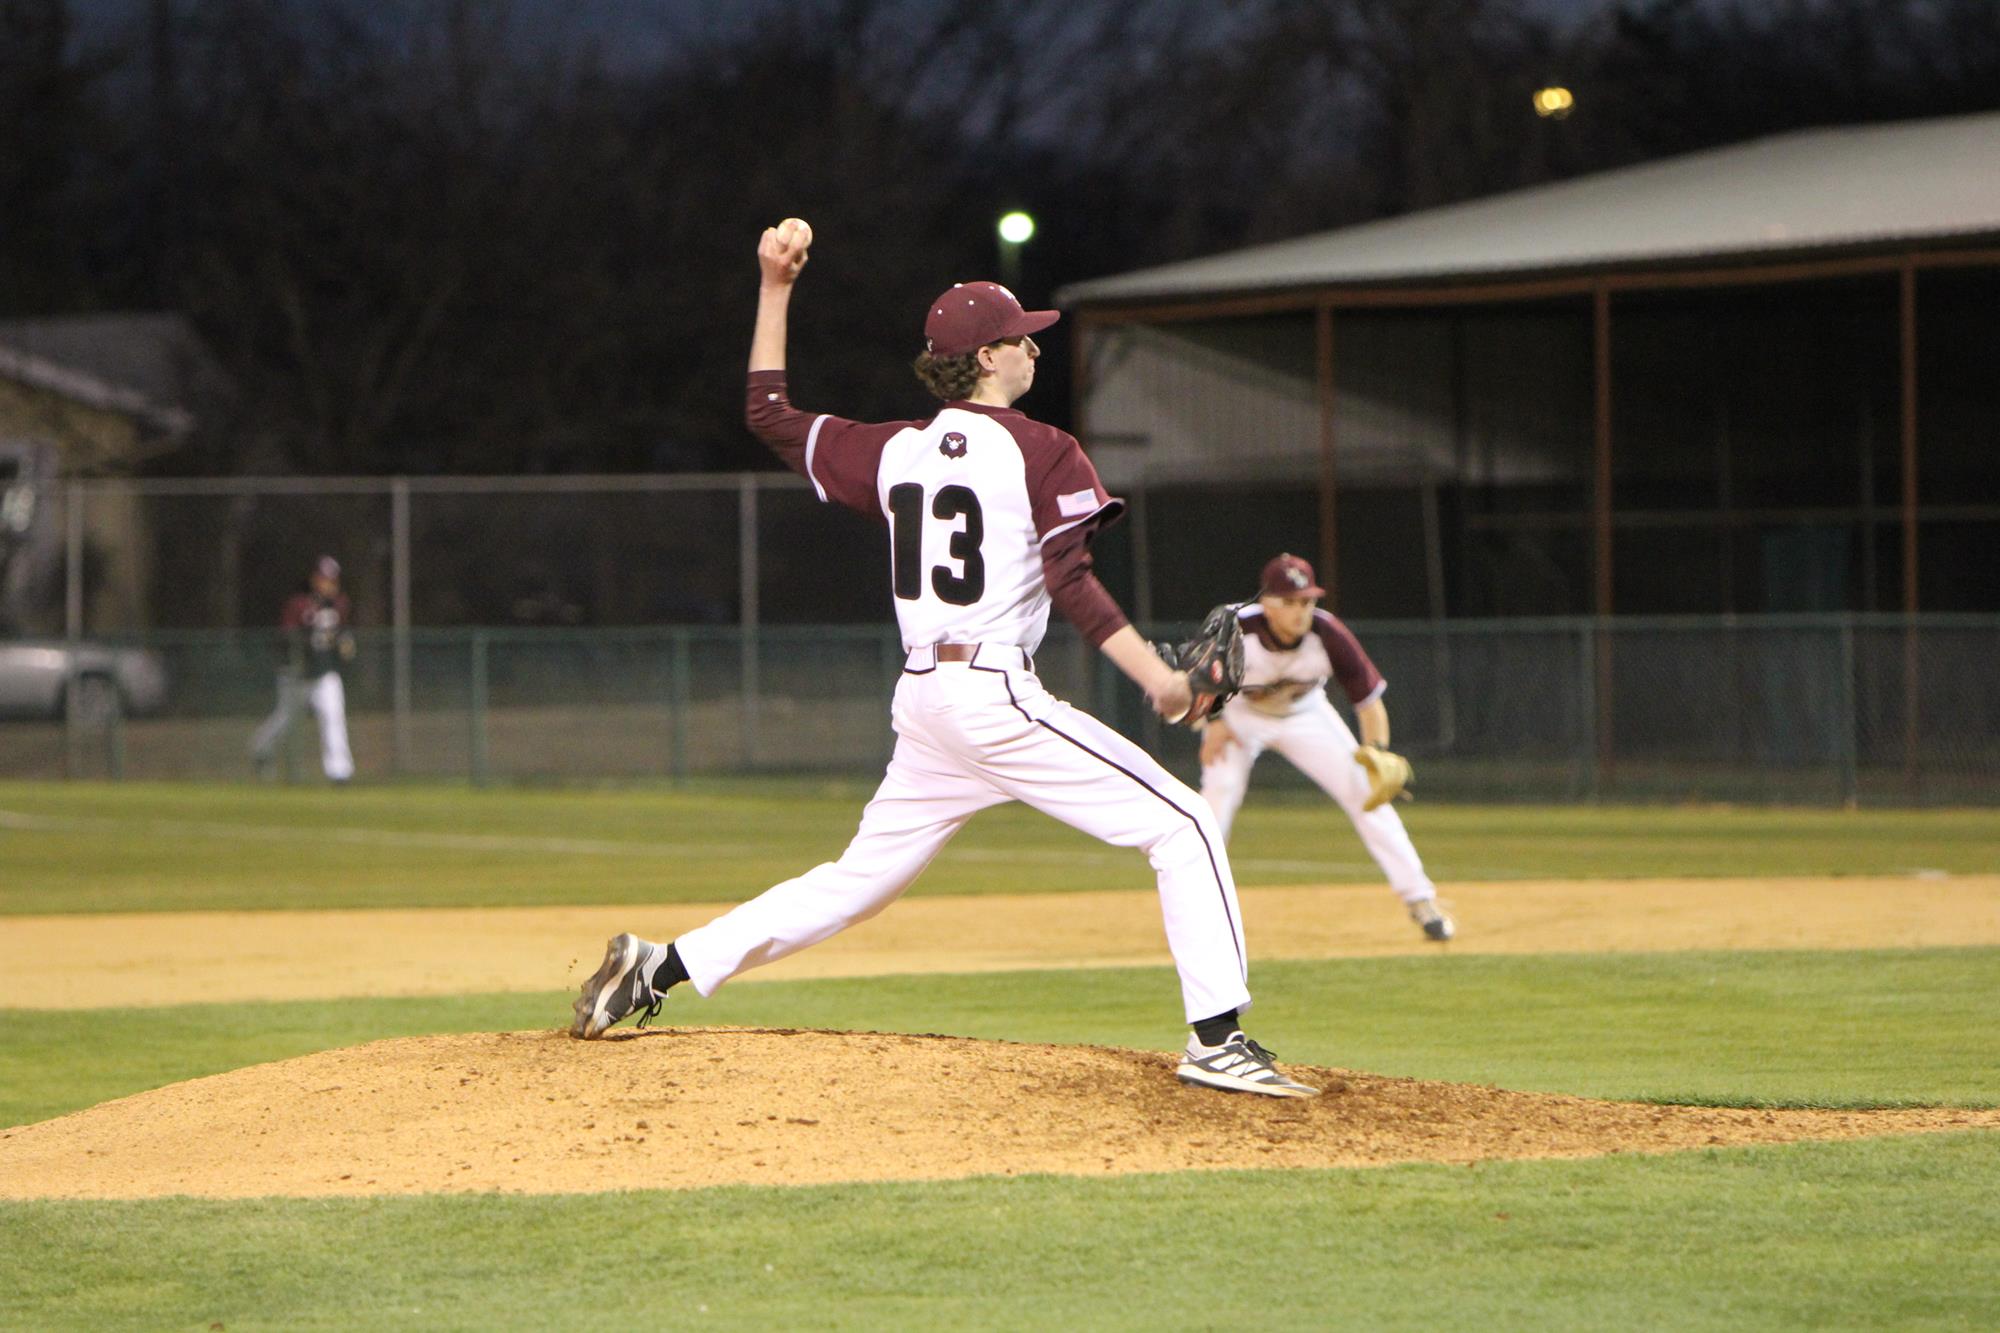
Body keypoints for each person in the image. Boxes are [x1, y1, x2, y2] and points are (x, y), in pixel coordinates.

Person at [570, 217, 1316, 1098]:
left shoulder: (896, 449)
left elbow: (766, 414)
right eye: (1022, 339)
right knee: (1184, 823)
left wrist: (775, 285)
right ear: (990, 356)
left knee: (856, 883)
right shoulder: (1042, 448)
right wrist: (1158, 680)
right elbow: (1070, 577)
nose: (1035, 350)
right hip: (993, 694)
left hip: (927, 700)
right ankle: (1218, 1039)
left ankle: (655, 968)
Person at [1197, 554, 1456, 942]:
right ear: (1266, 602)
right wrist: (1213, 722)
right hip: (1238, 715)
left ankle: (1420, 900)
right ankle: (1198, 914)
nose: (1300, 611)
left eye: (1306, 601)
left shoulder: (1328, 633)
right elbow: (1197, 680)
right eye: (1290, 602)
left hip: (1306, 714)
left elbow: (1368, 703)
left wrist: (1378, 752)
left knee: (1367, 794)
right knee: (1218, 798)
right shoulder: (1237, 629)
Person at [250, 555, 356, 783]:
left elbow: (343, 635)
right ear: (314, 579)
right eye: (324, 578)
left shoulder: (340, 604)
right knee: (286, 720)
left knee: (334, 718)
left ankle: (339, 772)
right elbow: (287, 637)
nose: (329, 584)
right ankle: (261, 747)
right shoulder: (299, 604)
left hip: (325, 673)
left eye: (333, 579)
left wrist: (345, 644)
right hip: (297, 675)